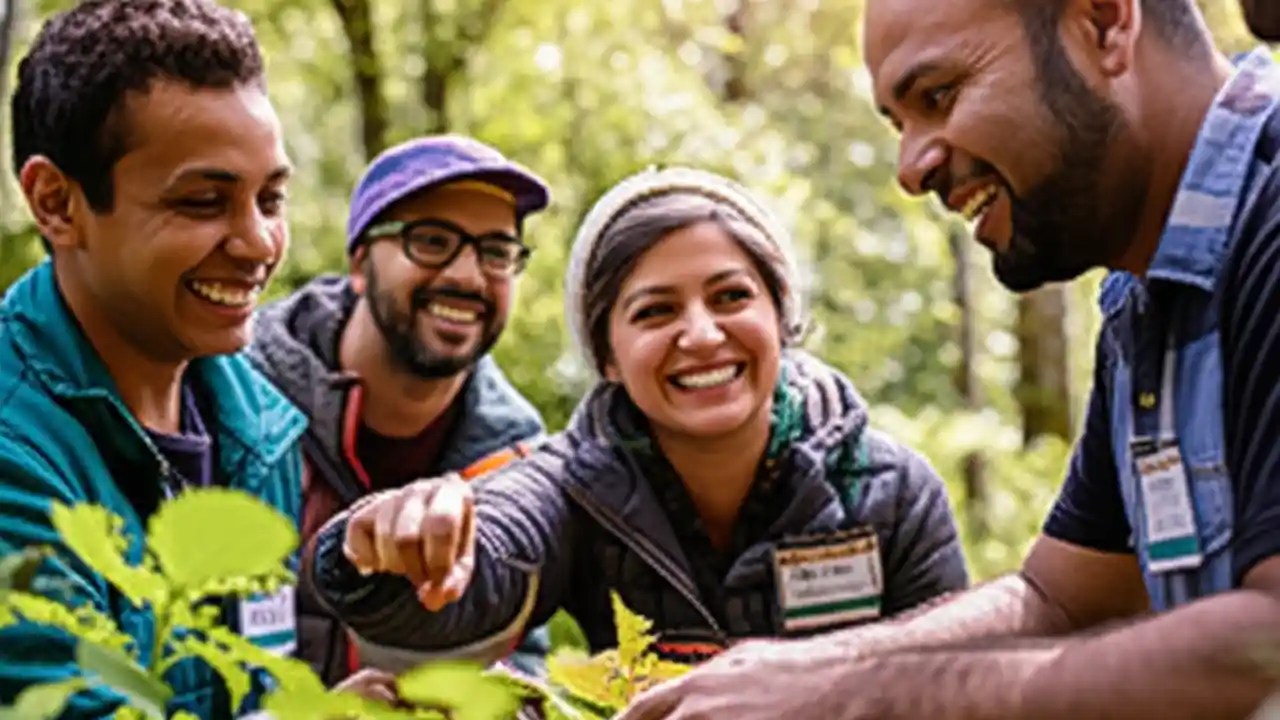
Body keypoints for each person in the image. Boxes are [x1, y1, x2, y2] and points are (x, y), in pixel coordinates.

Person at [614, 1, 1280, 718]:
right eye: (901, 125)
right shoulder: (1143, 302)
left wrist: (845, 699)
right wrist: (790, 667)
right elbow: (1060, 599)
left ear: (1105, 23)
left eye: (940, 96)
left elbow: (1269, 644)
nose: (911, 168)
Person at [303, 166, 968, 676]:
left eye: (732, 296)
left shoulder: (891, 492)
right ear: (609, 357)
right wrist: (378, 545)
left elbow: (953, 685)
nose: (702, 335)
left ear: (781, 317)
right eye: (655, 312)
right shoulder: (573, 485)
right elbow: (482, 565)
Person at [0, 0, 304, 717]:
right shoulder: (17, 460)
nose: (258, 242)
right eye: (203, 202)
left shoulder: (258, 428)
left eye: (271, 198)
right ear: (56, 203)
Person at [247, 135, 554, 685]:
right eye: (432, 241)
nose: (466, 275)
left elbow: (518, 654)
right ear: (361, 263)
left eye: (496, 251)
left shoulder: (515, 454)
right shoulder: (240, 396)